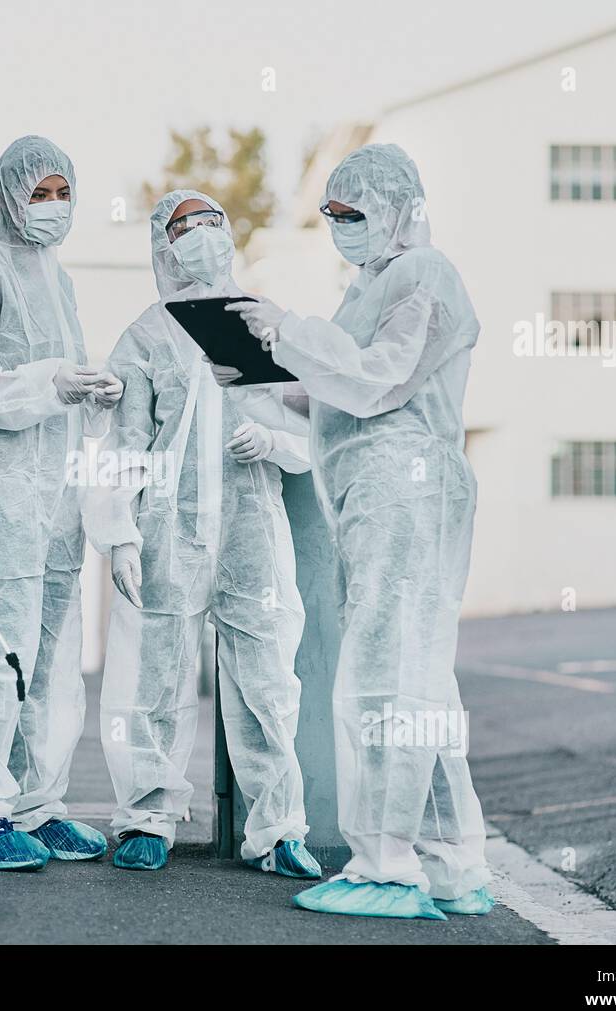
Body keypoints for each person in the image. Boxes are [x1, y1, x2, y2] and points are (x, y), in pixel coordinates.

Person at [226, 143, 492, 920]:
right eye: (332, 214)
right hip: (374, 492)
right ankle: (450, 861)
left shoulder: (426, 276)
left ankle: (383, 864)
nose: (341, 225)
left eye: (355, 213)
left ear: (400, 207)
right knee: (422, 681)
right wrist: (261, 370)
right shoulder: (369, 287)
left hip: (406, 488)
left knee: (385, 674)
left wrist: (288, 332)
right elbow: (335, 392)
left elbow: (377, 379)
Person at [84, 190, 319, 876]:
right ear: (164, 243)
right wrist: (119, 532)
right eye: (187, 225)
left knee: (268, 681)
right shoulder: (149, 336)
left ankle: (278, 830)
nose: (204, 235)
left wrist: (271, 438)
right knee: (154, 677)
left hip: (250, 527)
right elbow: (125, 444)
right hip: (169, 529)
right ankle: (147, 818)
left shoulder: (250, 325)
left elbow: (307, 437)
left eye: (213, 221)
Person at [0, 136, 122, 870]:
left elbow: (63, 387)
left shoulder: (61, 279)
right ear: (8, 196)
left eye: (61, 193)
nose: (51, 209)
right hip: (0, 493)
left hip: (56, 497)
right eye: (37, 194)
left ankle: (36, 804)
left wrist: (96, 392)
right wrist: (50, 381)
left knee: (50, 654)